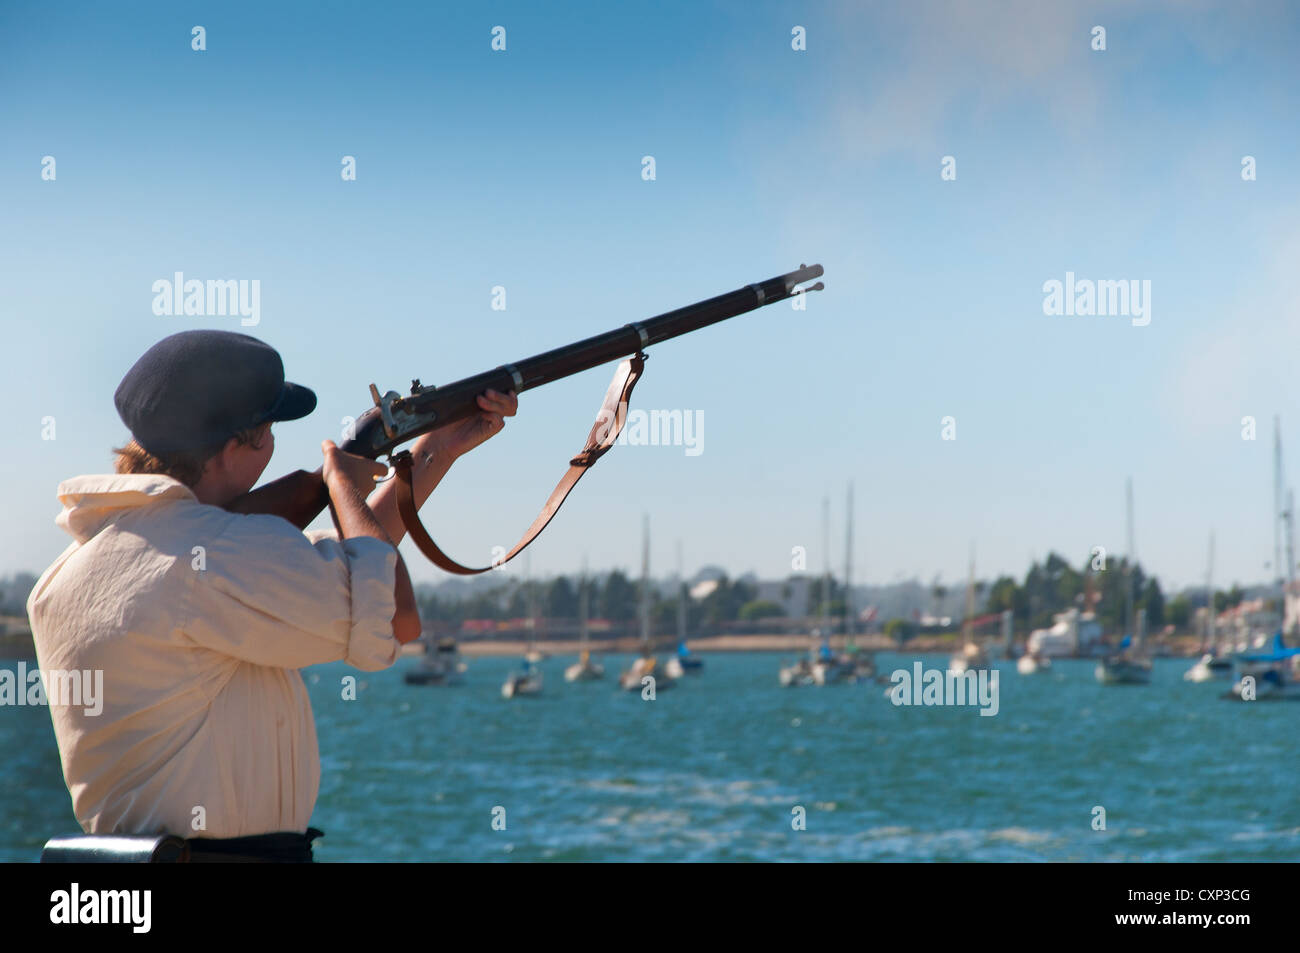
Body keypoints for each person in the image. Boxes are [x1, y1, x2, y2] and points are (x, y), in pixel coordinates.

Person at [26, 330, 517, 861]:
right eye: (269, 429)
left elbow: (343, 569)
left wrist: (433, 449)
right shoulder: (215, 555)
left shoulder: (65, 576)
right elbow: (392, 620)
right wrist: (338, 482)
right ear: (240, 444)